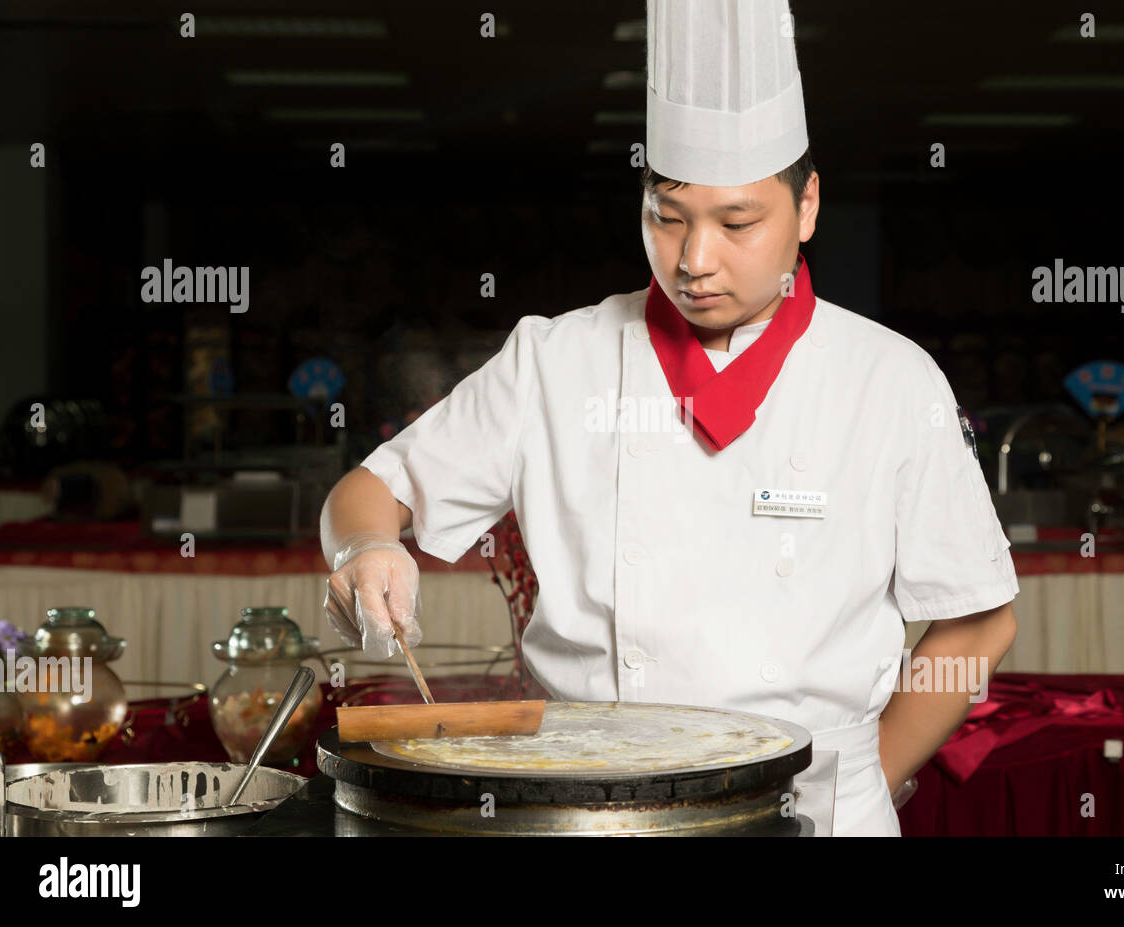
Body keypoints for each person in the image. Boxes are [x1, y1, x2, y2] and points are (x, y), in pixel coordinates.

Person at [320, 0, 1018, 836]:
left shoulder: (894, 380)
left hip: (814, 814)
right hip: (587, 812)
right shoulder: (556, 359)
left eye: (737, 222)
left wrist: (859, 775)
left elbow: (979, 618)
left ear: (808, 208)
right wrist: (367, 549)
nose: (694, 260)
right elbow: (369, 490)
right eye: (666, 215)